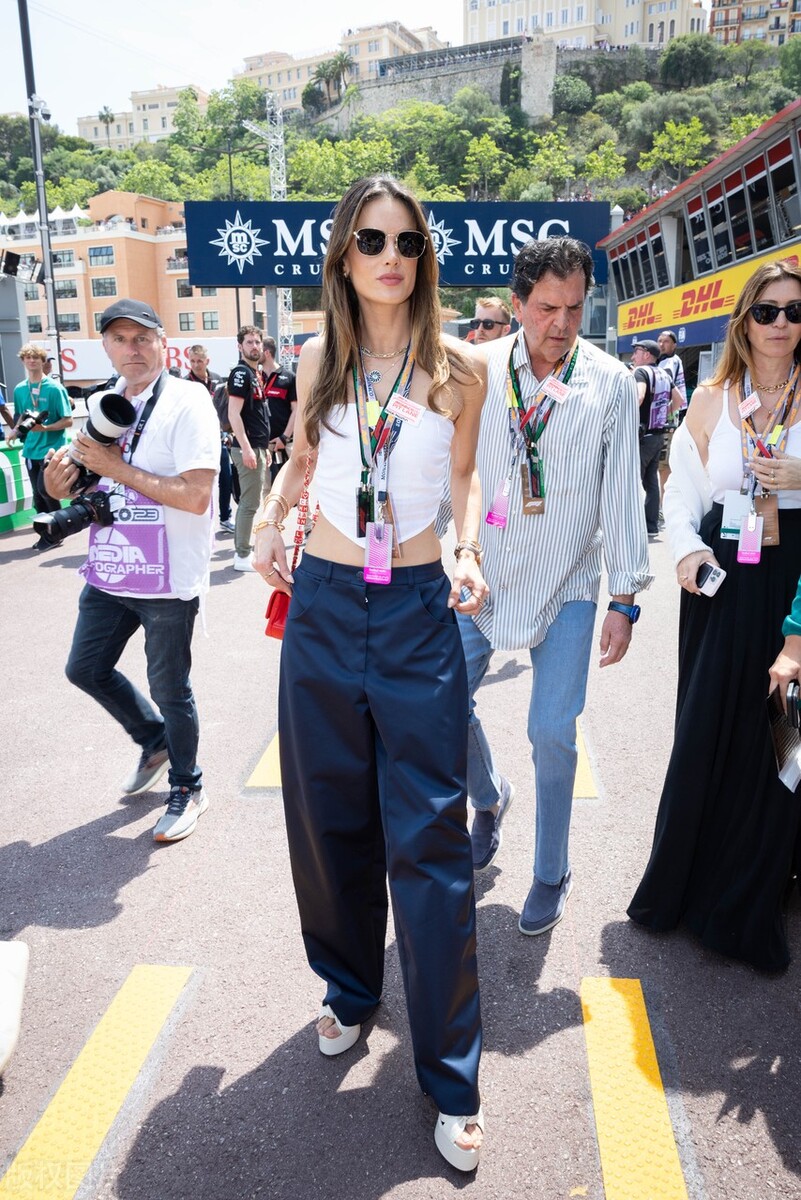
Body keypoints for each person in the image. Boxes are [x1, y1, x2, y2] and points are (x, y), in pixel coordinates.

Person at [253, 175, 488, 1172]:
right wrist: (267, 521)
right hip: (322, 607)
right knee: (327, 814)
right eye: (371, 239)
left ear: (424, 256)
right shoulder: (320, 359)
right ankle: (350, 990)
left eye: (408, 241)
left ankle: (453, 1077)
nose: (391, 256)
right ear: (345, 255)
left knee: (431, 833)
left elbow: (468, 478)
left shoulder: (462, 367)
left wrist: (470, 549)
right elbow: (302, 466)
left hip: (418, 610)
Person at [460, 236, 651, 937]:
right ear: (515, 305)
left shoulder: (609, 382)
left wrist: (625, 596)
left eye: (574, 307)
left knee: (550, 731)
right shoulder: (476, 370)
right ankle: (489, 797)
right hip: (482, 576)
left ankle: (550, 870)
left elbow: (623, 494)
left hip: (568, 580)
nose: (560, 324)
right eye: (545, 307)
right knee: (439, 705)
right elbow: (451, 472)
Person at [628, 259, 801, 973]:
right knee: (708, 727)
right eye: (767, 311)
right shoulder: (708, 398)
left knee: (781, 731)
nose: (782, 324)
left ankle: (760, 882)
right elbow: (677, 494)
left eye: (794, 311)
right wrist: (687, 555)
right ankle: (687, 882)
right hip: (721, 583)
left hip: (792, 582)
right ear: (742, 320)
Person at [43, 299, 220, 844]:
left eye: (141, 338)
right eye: (119, 339)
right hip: (109, 568)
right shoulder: (101, 404)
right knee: (85, 668)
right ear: (107, 348)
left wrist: (115, 467)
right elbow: (69, 489)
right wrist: (57, 482)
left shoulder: (189, 402)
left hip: (168, 577)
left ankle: (189, 786)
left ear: (162, 342)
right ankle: (155, 741)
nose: (132, 349)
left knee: (171, 687)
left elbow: (195, 496)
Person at [7, 343, 73, 549]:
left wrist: (45, 428)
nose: (32, 361)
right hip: (30, 450)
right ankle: (47, 532)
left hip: (52, 448)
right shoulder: (19, 389)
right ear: (23, 361)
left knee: (46, 491)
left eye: (36, 357)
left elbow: (68, 420)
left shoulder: (54, 388)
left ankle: (56, 532)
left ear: (42, 361)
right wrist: (15, 430)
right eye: (28, 358)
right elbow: (20, 416)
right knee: (38, 495)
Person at [227, 325, 271, 571]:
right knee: (250, 503)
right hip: (248, 447)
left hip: (257, 446)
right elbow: (234, 414)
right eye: (249, 342)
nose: (254, 346)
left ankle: (245, 551)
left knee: (252, 501)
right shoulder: (241, 373)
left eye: (257, 342)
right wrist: (246, 448)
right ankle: (242, 554)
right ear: (240, 346)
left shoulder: (256, 373)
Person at [184, 343, 234, 532]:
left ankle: (225, 517)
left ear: (207, 361)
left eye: (199, 361)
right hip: (195, 440)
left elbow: (226, 408)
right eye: (192, 361)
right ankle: (199, 521)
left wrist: (227, 432)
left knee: (226, 478)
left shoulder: (218, 380)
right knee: (200, 481)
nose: (196, 365)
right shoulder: (185, 383)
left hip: (219, 437)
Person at [631, 339, 672, 538]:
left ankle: (631, 525)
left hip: (642, 435)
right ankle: (651, 525)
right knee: (652, 482)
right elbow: (679, 400)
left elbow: (639, 397)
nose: (633, 357)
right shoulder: (664, 374)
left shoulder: (641, 372)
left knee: (633, 481)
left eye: (636, 352)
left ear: (646, 354)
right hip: (659, 435)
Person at [261, 335, 297, 483]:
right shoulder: (256, 377)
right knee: (266, 490)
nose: (254, 351)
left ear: (267, 353)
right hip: (263, 445)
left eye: (258, 347)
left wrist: (284, 437)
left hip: (286, 443)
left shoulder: (289, 377)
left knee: (290, 487)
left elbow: (296, 410)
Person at [657, 329, 687, 414]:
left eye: (666, 341)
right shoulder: (663, 360)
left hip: (672, 410)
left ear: (674, 346)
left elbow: (663, 381)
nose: (661, 344)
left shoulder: (672, 360)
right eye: (659, 341)